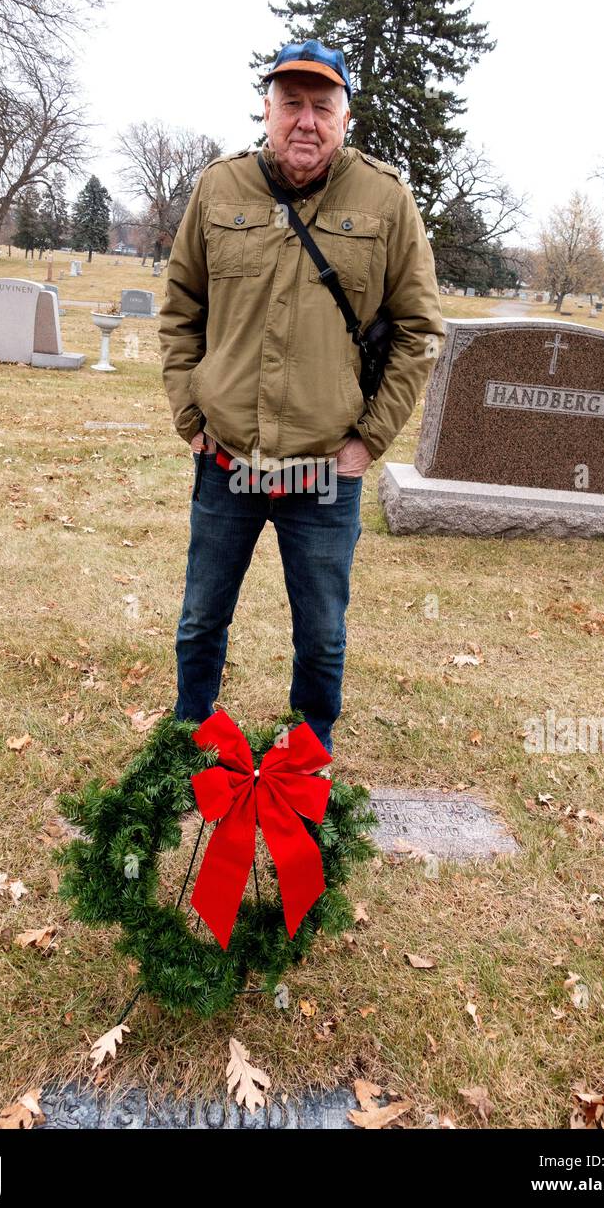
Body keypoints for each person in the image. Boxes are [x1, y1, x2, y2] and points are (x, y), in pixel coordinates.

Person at [159, 39, 445, 751]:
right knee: (200, 618)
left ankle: (308, 754)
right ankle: (189, 739)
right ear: (267, 110)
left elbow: (419, 330)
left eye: (323, 106)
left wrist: (368, 440)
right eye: (292, 104)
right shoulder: (219, 189)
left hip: (324, 470)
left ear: (346, 119)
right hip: (226, 459)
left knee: (321, 634)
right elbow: (179, 306)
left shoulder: (386, 199)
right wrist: (190, 415)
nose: (306, 121)